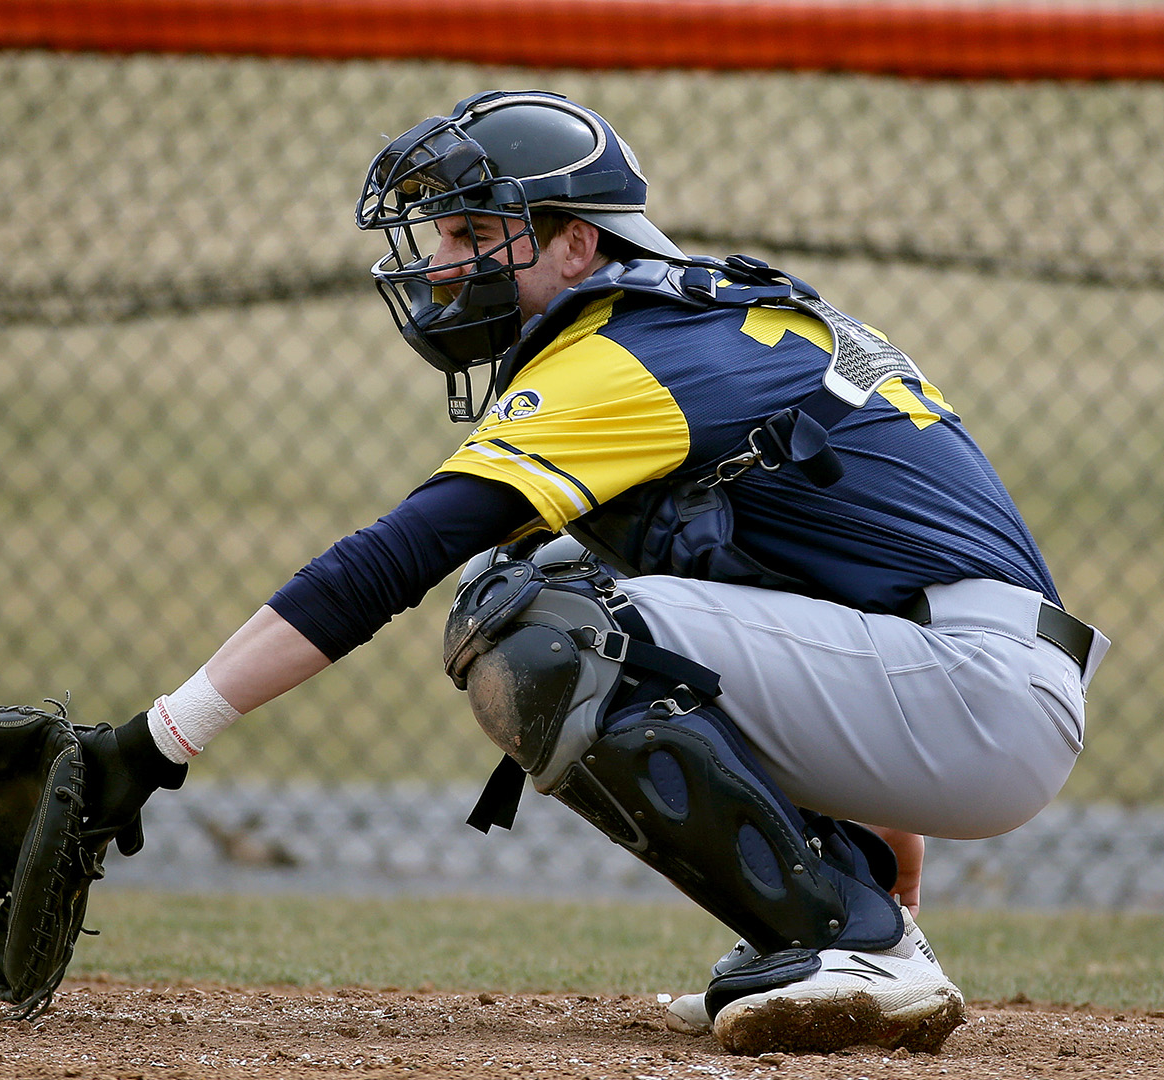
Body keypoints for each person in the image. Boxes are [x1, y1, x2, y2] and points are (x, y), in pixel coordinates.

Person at [75, 89, 1107, 1056]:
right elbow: (845, 568)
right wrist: (892, 849)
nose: (443, 262)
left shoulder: (632, 352)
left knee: (541, 618)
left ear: (578, 242)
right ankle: (846, 926)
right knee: (552, 573)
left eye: (477, 233)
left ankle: (859, 940)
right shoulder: (694, 322)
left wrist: (163, 737)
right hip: (975, 677)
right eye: (442, 234)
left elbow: (395, 556)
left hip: (977, 688)